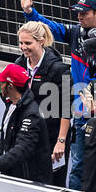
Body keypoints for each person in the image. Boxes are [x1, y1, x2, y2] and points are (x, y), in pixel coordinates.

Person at [20, 0, 96, 191]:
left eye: (84, 13)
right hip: (81, 110)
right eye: (78, 13)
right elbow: (48, 28)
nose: (80, 17)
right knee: (78, 165)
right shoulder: (75, 32)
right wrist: (30, 12)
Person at [0, 65, 52, 185]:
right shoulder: (12, 105)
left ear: (10, 86)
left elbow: (22, 148)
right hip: (16, 175)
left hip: (31, 181)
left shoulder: (31, 114)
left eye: (1, 82)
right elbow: (5, 138)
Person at [13, 22, 71, 183]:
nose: (23, 47)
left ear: (41, 41)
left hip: (52, 137)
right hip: (28, 135)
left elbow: (66, 108)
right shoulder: (19, 64)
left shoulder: (60, 69)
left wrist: (61, 141)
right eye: (21, 43)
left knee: (52, 183)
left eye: (28, 43)